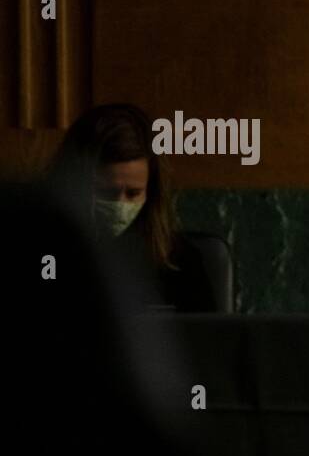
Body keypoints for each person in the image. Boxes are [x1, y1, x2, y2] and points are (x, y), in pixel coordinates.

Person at [47, 103, 220, 312]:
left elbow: (210, 340)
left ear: (151, 191)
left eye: (133, 193)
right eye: (105, 192)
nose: (120, 204)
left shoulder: (181, 262)